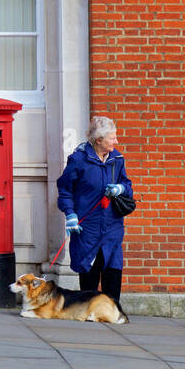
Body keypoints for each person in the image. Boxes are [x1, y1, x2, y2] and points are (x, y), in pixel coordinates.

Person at [56, 115, 133, 303]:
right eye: (112, 138)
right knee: (89, 268)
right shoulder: (78, 160)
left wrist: (121, 188)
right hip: (87, 226)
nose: (116, 141)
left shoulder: (117, 159)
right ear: (99, 140)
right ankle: (87, 308)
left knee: (112, 267)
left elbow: (127, 184)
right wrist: (71, 215)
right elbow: (65, 190)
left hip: (112, 224)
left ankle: (113, 309)